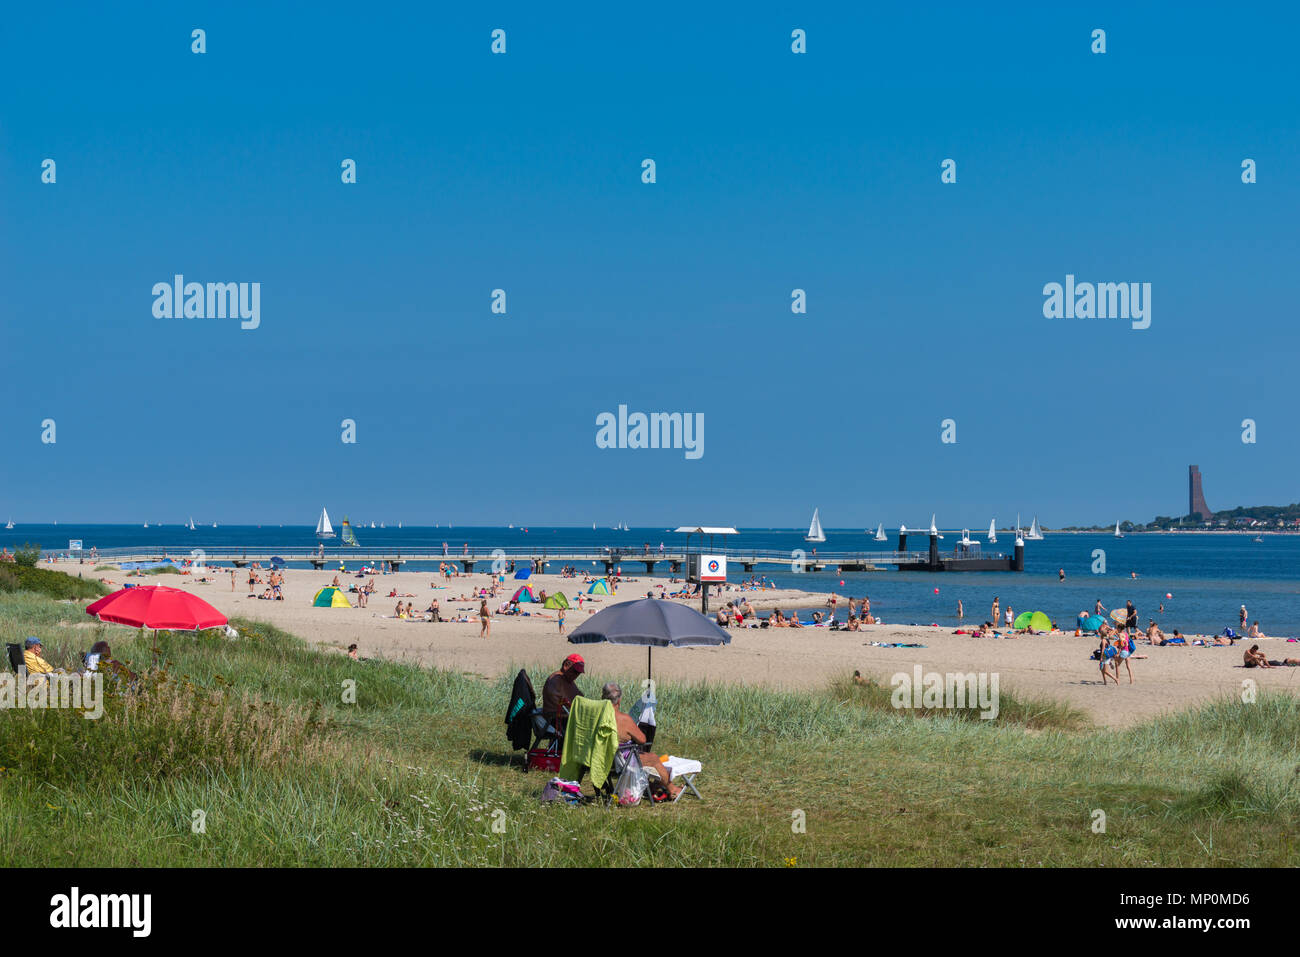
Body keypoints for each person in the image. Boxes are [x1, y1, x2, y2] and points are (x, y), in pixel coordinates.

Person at [601, 683, 681, 800]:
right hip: (621, 761)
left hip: (602, 758)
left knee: (649, 758)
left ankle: (653, 785)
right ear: (619, 700)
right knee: (653, 758)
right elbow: (642, 740)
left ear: (603, 698)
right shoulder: (624, 719)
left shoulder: (598, 715)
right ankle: (672, 789)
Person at [542, 654, 585, 724]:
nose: (576, 675)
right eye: (575, 671)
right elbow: (558, 707)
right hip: (556, 721)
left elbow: (579, 697)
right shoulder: (555, 680)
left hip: (566, 717)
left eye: (578, 673)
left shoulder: (568, 680)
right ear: (566, 665)